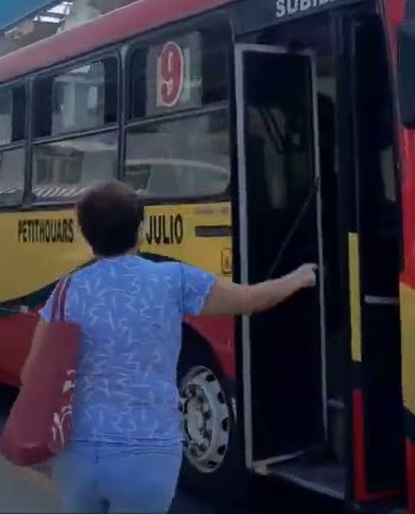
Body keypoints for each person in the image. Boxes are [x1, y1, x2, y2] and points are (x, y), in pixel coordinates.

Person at [21, 181, 316, 514]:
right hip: (148, 452)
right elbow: (250, 299)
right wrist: (299, 278)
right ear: (141, 228)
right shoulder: (174, 279)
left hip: (79, 453)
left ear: (86, 235)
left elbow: (33, 373)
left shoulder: (65, 291)